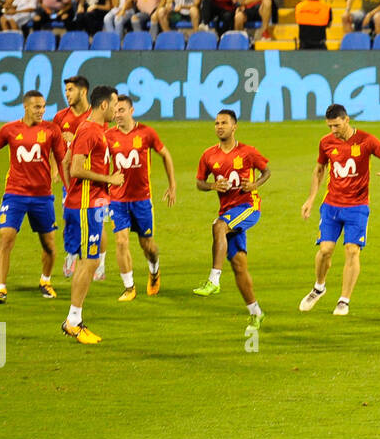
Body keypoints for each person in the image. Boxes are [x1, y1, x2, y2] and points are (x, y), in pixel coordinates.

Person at [0, 90, 66, 304]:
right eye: (37, 107)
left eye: (43, 106)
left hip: (42, 197)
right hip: (15, 194)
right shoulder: (10, 130)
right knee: (6, 237)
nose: (42, 111)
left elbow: (62, 160)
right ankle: (1, 289)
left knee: (49, 245)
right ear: (26, 107)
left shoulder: (51, 130)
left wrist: (70, 188)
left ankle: (45, 281)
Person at [299, 104, 380, 316]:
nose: (333, 130)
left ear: (347, 119)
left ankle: (344, 300)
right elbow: (319, 169)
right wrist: (310, 199)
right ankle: (319, 287)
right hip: (332, 205)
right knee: (325, 250)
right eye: (329, 126)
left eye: (336, 125)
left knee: (352, 251)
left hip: (357, 207)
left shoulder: (366, 140)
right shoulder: (326, 142)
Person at [192, 109, 271, 332]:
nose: (219, 126)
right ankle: (256, 313)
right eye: (217, 123)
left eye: (224, 123)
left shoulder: (247, 152)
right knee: (239, 265)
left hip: (248, 207)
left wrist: (255, 185)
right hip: (228, 210)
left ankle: (214, 280)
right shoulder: (209, 155)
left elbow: (267, 171)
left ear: (234, 126)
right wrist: (212, 186)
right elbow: (199, 182)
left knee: (218, 226)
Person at [61, 85, 123, 344]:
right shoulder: (89, 131)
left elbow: (64, 163)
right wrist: (108, 178)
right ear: (104, 105)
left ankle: (74, 318)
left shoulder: (94, 130)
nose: (118, 109)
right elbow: (75, 168)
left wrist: (70, 195)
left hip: (88, 204)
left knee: (91, 261)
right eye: (115, 104)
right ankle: (73, 321)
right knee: (89, 261)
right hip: (87, 207)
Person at [106, 94, 175, 301]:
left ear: (131, 111)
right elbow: (99, 162)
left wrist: (172, 185)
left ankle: (154, 270)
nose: (117, 114)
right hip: (117, 200)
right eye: (115, 110)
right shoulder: (108, 136)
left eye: (121, 110)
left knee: (148, 246)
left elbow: (166, 154)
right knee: (120, 241)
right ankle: (129, 288)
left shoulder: (146, 133)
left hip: (142, 200)